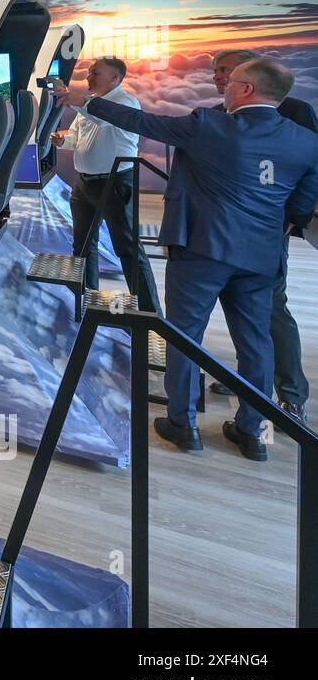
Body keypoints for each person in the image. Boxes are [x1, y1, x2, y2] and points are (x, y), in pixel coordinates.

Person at [55, 57, 318, 461]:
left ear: (247, 89)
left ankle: (183, 423)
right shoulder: (305, 141)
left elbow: (146, 124)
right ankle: (251, 431)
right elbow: (302, 201)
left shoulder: (210, 126)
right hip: (261, 255)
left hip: (201, 251)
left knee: (184, 335)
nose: (223, 87)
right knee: (255, 342)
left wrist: (83, 100)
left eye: (231, 82)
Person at [206, 50, 317, 421]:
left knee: (271, 307)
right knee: (241, 307)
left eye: (226, 72)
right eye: (216, 72)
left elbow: (310, 172)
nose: (218, 78)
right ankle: (252, 379)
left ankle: (291, 395)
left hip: (268, 232)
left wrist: (292, 219)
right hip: (225, 231)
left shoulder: (296, 112)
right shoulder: (221, 113)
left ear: (247, 74)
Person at [51, 56, 161, 313]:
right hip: (84, 182)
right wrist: (62, 141)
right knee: (83, 245)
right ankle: (87, 302)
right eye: (89, 72)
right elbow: (77, 137)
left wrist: (76, 100)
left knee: (128, 249)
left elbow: (103, 118)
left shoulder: (125, 103)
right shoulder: (91, 106)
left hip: (115, 183)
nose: (88, 77)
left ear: (115, 78)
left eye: (95, 73)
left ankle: (150, 314)